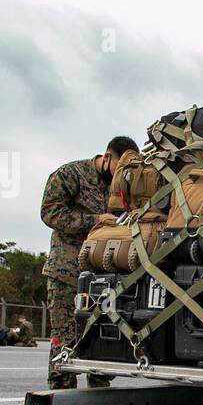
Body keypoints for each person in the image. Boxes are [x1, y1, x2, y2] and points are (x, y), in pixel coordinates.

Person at [40, 136, 136, 388]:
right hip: (67, 272)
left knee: (104, 337)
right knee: (65, 339)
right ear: (107, 159)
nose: (122, 175)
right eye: (120, 167)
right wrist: (94, 220)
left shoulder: (120, 188)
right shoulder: (71, 175)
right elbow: (49, 212)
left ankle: (100, 392)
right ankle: (61, 394)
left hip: (102, 275)